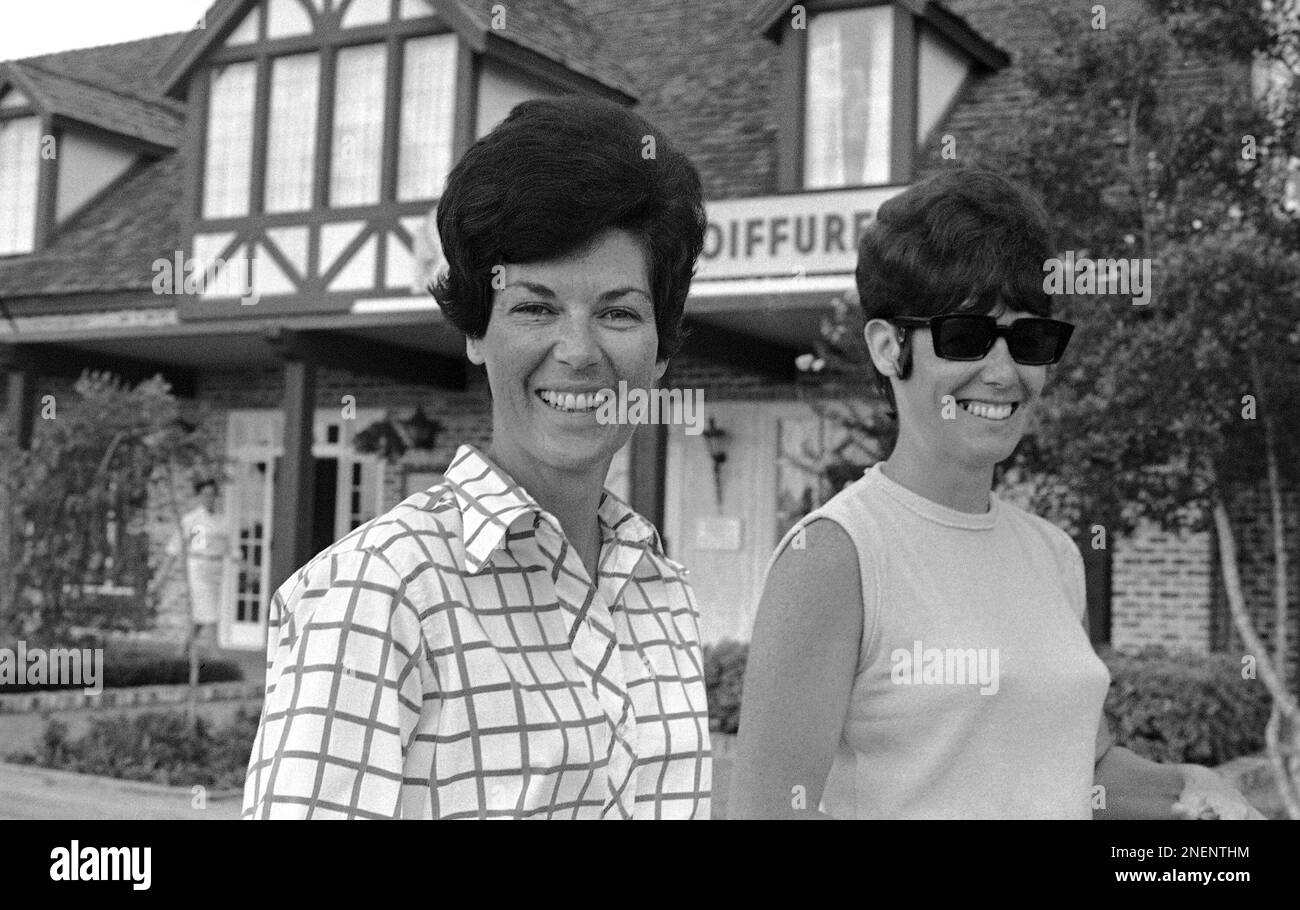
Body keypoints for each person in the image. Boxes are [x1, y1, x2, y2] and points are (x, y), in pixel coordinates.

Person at [728, 168, 1263, 820]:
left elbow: (1079, 767)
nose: (1005, 372)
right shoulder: (836, 555)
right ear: (887, 346)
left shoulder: (1055, 556)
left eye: (1029, 338)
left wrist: (1189, 786)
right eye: (968, 336)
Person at [243, 97, 712, 819]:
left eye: (618, 312)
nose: (579, 354)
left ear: (661, 352)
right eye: (534, 308)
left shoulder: (662, 592)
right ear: (475, 331)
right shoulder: (377, 595)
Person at [159, 478, 231, 648]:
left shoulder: (222, 521)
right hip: (198, 568)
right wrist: (161, 576)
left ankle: (181, 653)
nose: (209, 498)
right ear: (199, 496)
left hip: (215, 570)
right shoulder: (193, 520)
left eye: (212, 495)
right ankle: (217, 655)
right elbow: (175, 547)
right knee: (210, 613)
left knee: (200, 617)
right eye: (205, 495)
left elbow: (230, 549)